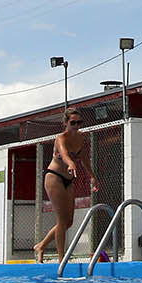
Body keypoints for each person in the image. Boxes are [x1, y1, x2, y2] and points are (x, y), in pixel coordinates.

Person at [33, 108, 97, 263]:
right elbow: (65, 155)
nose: (76, 126)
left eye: (79, 122)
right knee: (62, 220)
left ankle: (41, 246)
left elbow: (83, 159)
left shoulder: (81, 138)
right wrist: (70, 164)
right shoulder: (61, 138)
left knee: (69, 222)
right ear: (66, 123)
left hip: (68, 179)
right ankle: (62, 259)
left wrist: (93, 177)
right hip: (54, 177)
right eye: (73, 122)